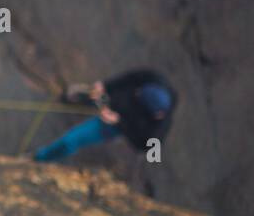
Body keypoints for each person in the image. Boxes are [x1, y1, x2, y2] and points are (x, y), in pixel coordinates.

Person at [33, 69, 176, 163]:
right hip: (112, 98)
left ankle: (39, 158)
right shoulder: (155, 80)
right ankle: (72, 98)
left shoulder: (156, 130)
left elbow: (144, 146)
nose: (136, 92)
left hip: (113, 124)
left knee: (70, 141)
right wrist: (105, 86)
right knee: (80, 95)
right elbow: (131, 77)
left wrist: (119, 122)